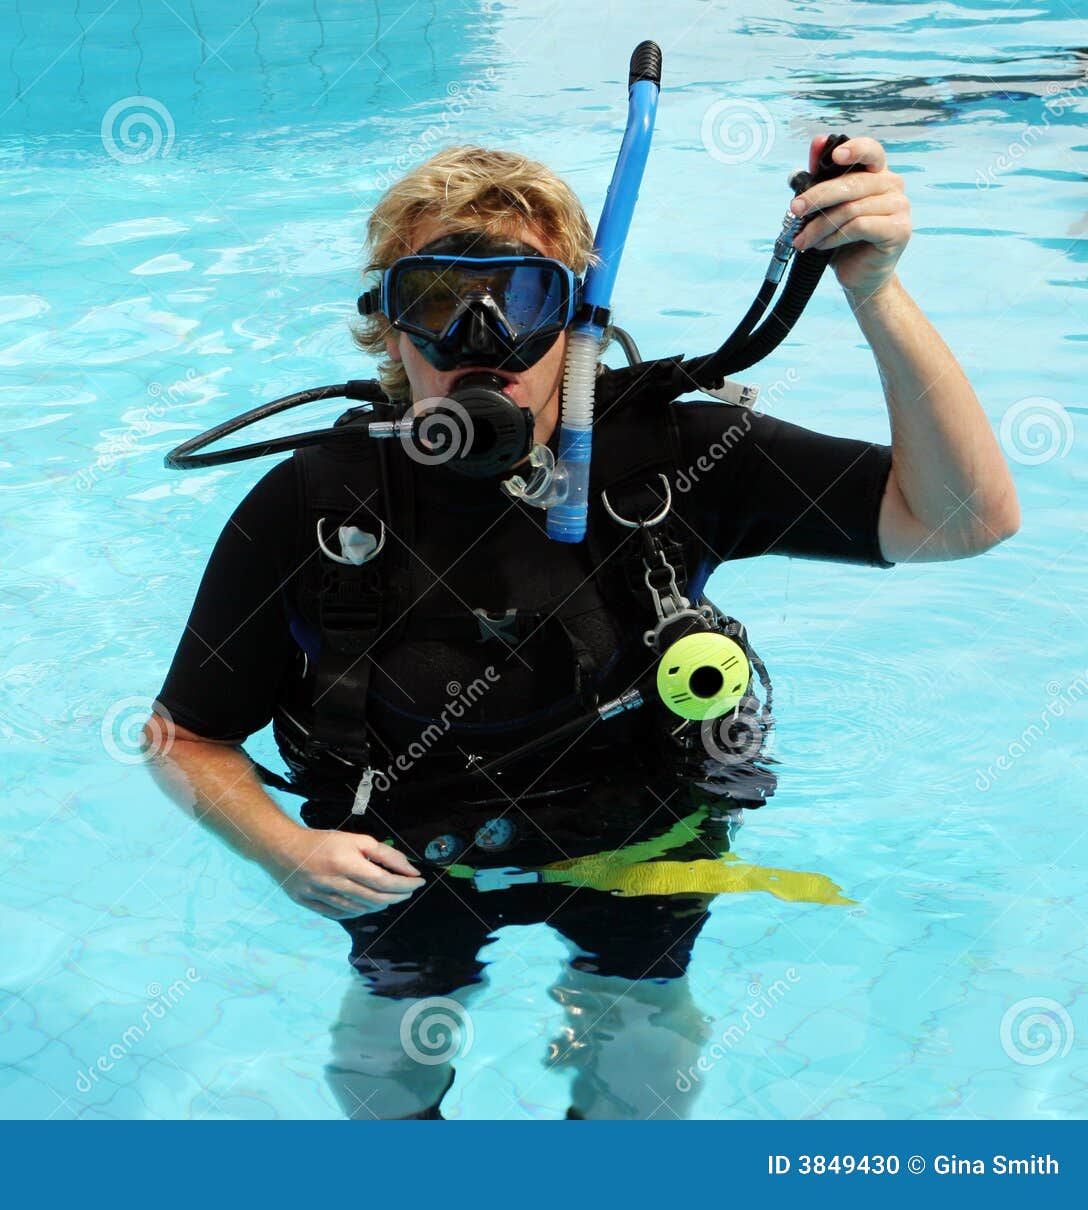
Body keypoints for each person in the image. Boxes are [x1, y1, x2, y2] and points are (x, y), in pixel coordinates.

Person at [143, 140, 1019, 1119]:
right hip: (401, 871)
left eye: (525, 298)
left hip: (641, 847)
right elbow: (184, 735)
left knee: (642, 1085)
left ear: (581, 322)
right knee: (378, 1085)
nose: (482, 338)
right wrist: (284, 851)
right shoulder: (315, 500)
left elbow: (966, 518)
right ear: (388, 329)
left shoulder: (678, 460)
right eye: (436, 298)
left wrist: (877, 292)